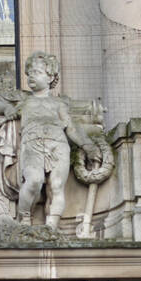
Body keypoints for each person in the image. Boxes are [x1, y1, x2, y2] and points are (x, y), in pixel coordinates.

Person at [15, 52, 100, 228]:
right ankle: (24, 219)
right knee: (34, 180)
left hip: (57, 144)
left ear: (50, 77)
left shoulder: (59, 104)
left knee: (57, 185)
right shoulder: (22, 101)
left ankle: (51, 227)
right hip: (32, 143)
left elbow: (71, 127)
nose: (31, 76)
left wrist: (88, 146)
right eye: (29, 72)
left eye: (37, 72)